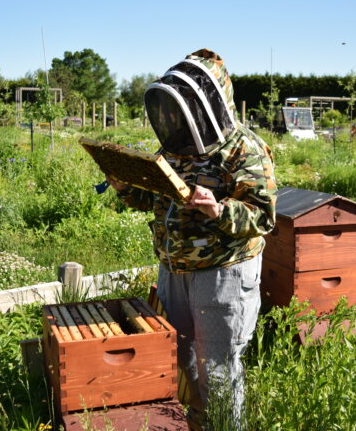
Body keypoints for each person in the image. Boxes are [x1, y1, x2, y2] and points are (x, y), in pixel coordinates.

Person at [109, 48, 277, 430]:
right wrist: (125, 186)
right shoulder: (174, 150)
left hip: (223, 275)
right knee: (181, 356)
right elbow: (153, 198)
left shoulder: (244, 149)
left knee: (218, 367)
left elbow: (263, 218)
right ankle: (199, 421)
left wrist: (218, 209)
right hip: (173, 270)